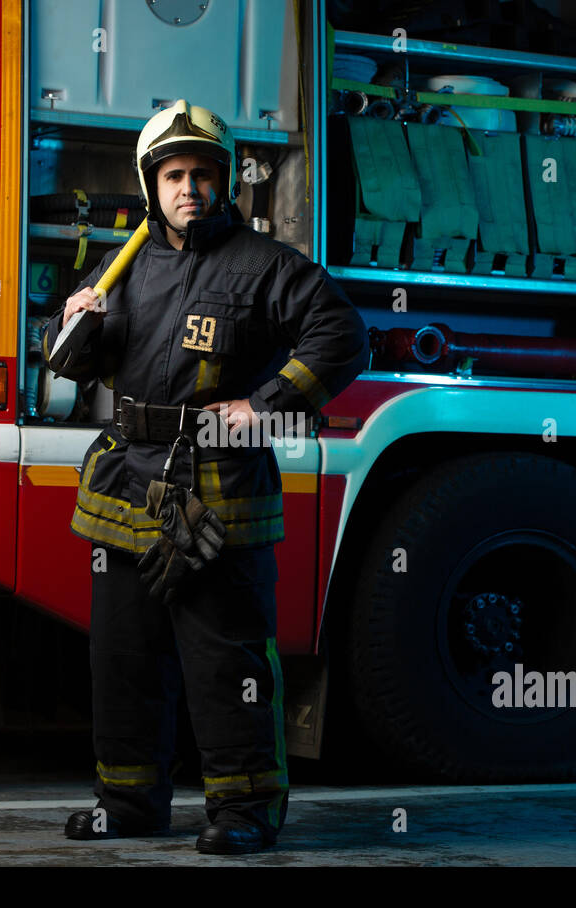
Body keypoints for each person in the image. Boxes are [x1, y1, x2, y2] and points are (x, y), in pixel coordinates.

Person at [41, 99, 367, 854]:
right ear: (153, 184)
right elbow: (67, 359)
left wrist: (268, 403)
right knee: (123, 658)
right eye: (177, 175)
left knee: (228, 663)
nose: (191, 188)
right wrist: (70, 322)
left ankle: (244, 811)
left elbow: (344, 335)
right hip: (126, 487)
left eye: (205, 174)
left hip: (218, 490)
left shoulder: (267, 267)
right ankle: (127, 804)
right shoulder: (120, 268)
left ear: (226, 184)